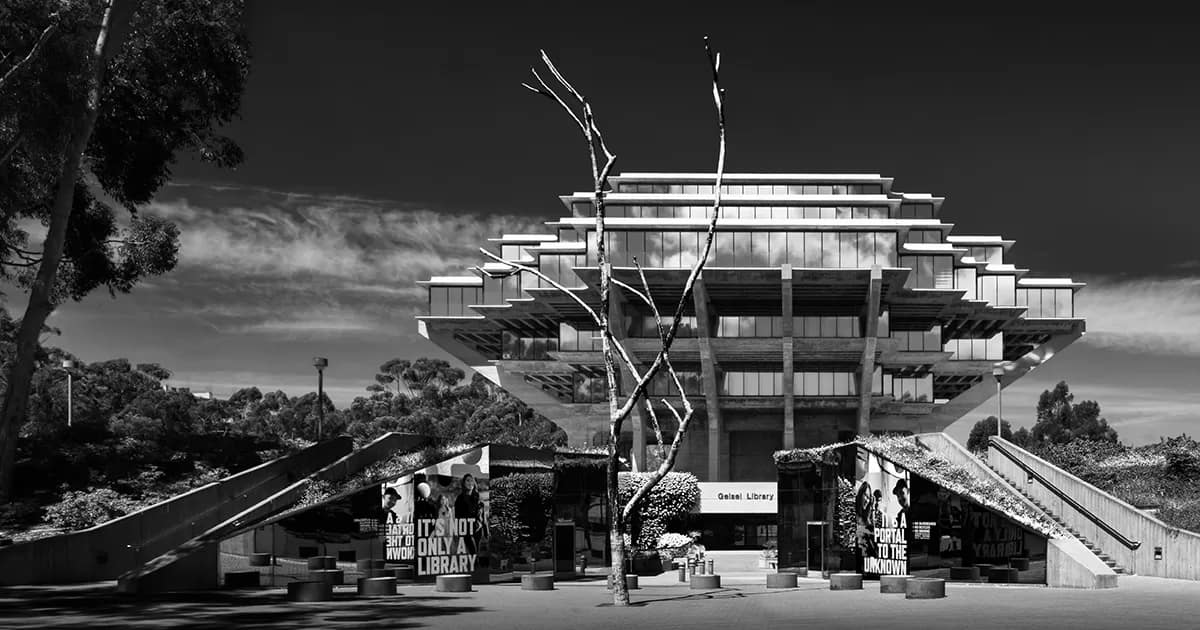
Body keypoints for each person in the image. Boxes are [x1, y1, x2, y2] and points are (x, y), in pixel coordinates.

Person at [454, 473, 488, 554]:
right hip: (466, 530)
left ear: (474, 483)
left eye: (472, 481)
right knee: (473, 552)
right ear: (464, 483)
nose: (470, 483)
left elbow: (483, 515)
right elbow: (457, 516)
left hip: (477, 529)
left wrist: (486, 531)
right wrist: (458, 531)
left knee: (476, 553)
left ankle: (475, 565)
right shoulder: (460, 499)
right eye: (467, 481)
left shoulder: (478, 497)